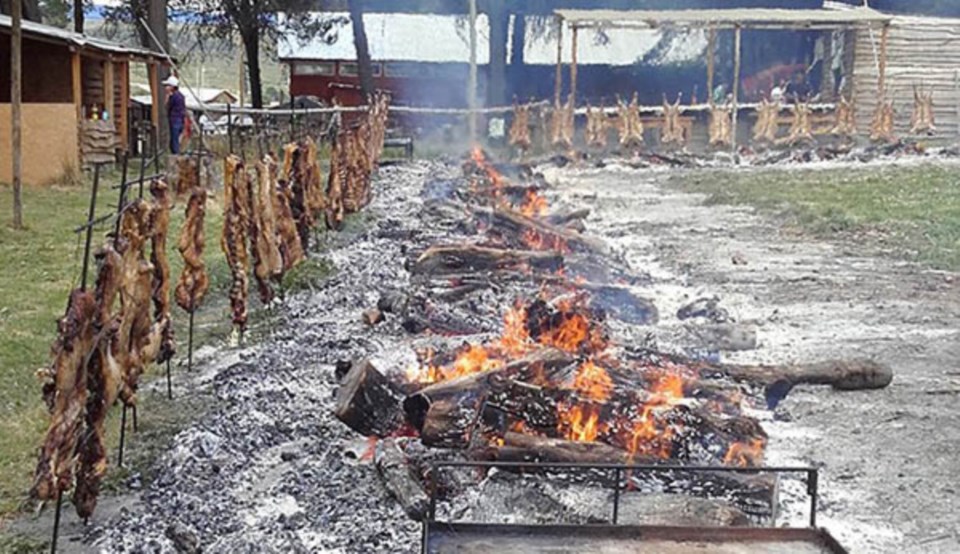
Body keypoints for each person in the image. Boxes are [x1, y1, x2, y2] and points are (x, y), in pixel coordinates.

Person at [164, 75, 186, 154]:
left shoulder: (174, 96)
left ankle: (176, 156)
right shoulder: (181, 96)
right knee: (175, 139)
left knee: (174, 140)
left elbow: (167, 106)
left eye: (168, 85)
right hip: (180, 119)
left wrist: (167, 96)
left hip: (175, 119)